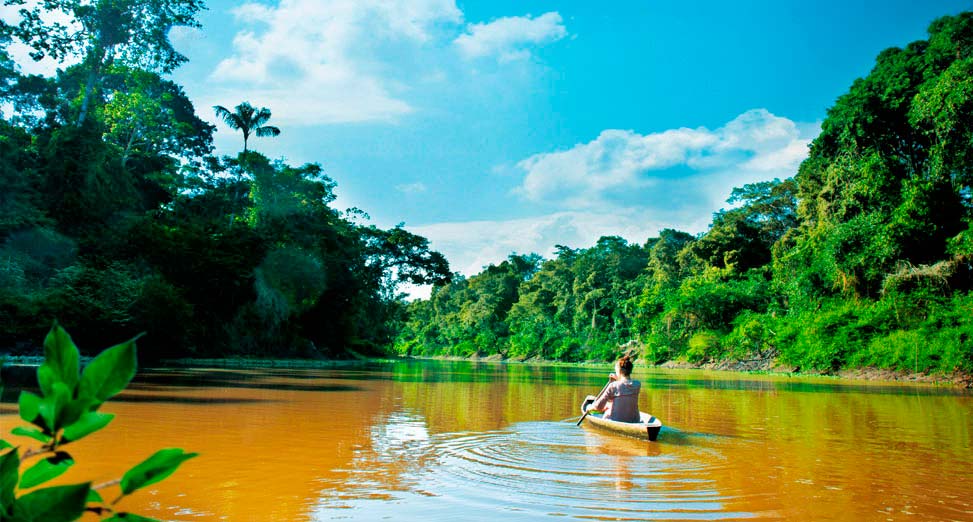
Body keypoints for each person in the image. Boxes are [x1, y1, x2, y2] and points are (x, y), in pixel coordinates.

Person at [585, 355, 641, 423]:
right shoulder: (637, 384)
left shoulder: (613, 385)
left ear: (619, 371)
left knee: (591, 406)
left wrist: (589, 408)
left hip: (616, 420)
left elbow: (598, 407)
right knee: (609, 405)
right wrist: (616, 381)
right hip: (634, 421)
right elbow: (625, 386)